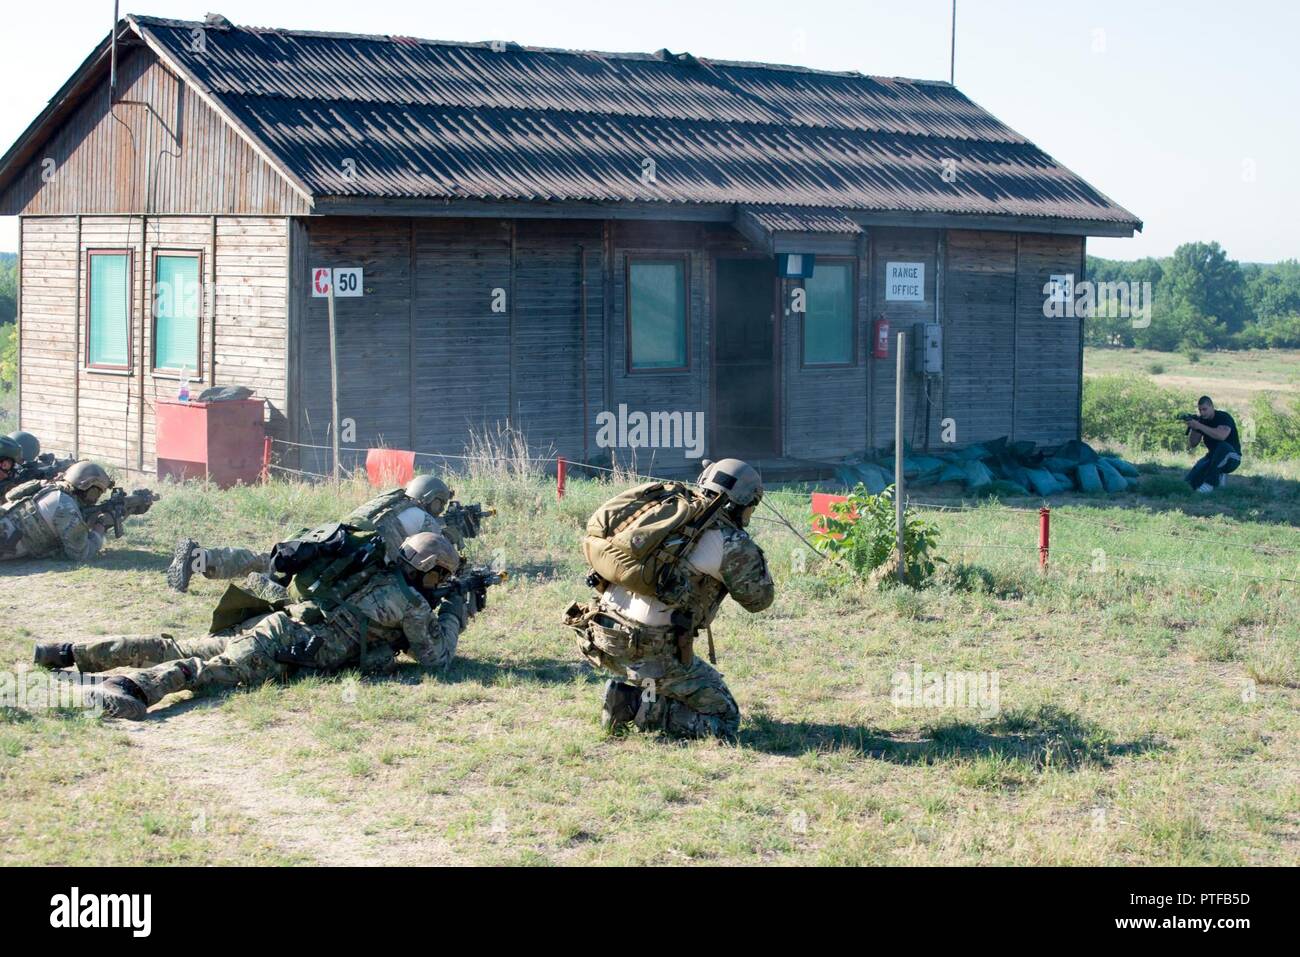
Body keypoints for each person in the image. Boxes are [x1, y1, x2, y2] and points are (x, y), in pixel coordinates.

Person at [37, 531, 469, 720]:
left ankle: (70, 652)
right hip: (290, 646)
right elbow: (435, 660)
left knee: (178, 646)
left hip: (279, 622)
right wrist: (453, 612)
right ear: (430, 571)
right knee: (213, 672)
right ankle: (132, 690)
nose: (443, 585)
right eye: (442, 578)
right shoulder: (411, 603)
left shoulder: (370, 570)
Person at [564, 459, 774, 740]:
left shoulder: (668, 511)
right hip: (645, 647)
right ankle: (635, 705)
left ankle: (641, 690)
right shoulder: (730, 541)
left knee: (674, 673)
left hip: (599, 630)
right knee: (724, 718)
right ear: (747, 503)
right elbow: (758, 600)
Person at [166, 474, 456, 591]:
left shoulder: (390, 500)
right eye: (440, 504)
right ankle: (263, 587)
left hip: (331, 536)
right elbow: (442, 552)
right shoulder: (420, 516)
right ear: (432, 498)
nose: (440, 510)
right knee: (312, 590)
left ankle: (200, 558)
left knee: (274, 558)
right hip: (353, 556)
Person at [0, 461, 112, 563]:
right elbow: (81, 554)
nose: (96, 498)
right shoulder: (65, 505)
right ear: (90, 490)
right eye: (97, 493)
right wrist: (100, 527)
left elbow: (10, 496)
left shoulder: (47, 487)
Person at [1184, 395, 1242, 493]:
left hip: (1232, 457)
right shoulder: (1201, 421)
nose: (1202, 412)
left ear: (1212, 407)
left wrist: (1199, 425)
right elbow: (1193, 443)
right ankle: (1217, 479)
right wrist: (1194, 426)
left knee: (1223, 446)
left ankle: (1210, 484)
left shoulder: (1223, 417)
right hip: (1213, 457)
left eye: (1205, 409)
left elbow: (1221, 436)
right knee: (1190, 483)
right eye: (1200, 410)